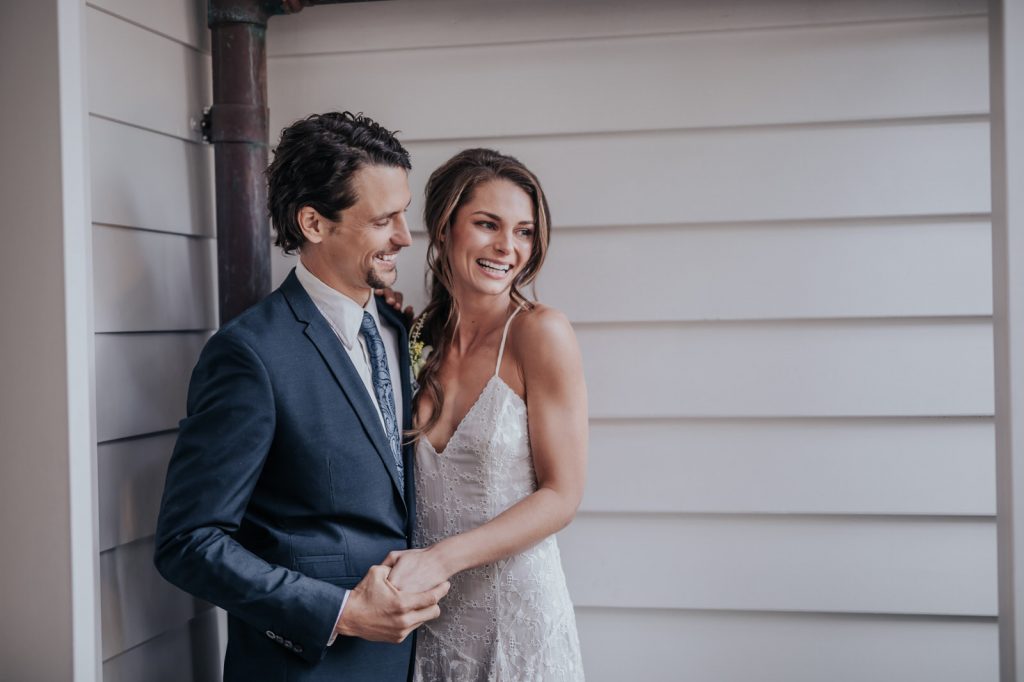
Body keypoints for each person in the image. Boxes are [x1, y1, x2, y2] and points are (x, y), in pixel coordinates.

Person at [153, 111, 449, 682]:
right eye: (384, 219)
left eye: (404, 212)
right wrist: (340, 612)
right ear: (313, 222)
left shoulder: (395, 328)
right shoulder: (248, 355)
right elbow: (188, 541)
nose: (405, 237)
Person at [384, 148, 588, 681]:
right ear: (445, 227)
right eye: (487, 225)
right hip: (430, 625)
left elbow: (561, 496)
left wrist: (440, 560)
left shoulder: (539, 334)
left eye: (523, 231)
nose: (507, 248)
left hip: (518, 622)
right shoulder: (415, 336)